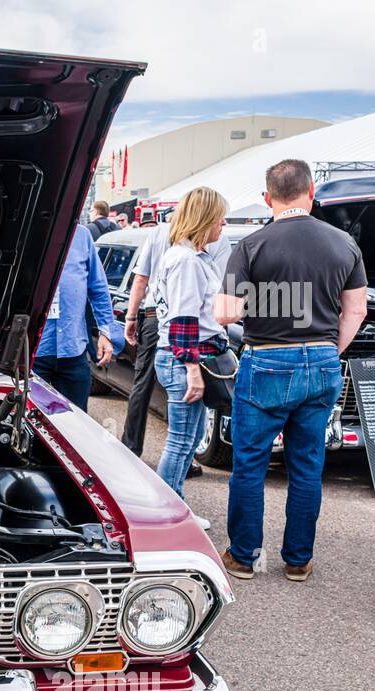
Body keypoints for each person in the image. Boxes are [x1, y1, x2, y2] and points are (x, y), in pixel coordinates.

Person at [216, 159, 368, 582]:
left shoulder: (250, 246)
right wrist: (327, 349)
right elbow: (357, 309)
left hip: (266, 358)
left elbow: (227, 314)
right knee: (307, 464)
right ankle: (298, 560)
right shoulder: (344, 244)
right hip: (321, 361)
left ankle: (243, 557)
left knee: (249, 463)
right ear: (311, 192)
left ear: (268, 198)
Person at [120, 206, 232, 458]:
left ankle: (131, 449)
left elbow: (141, 279)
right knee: (182, 427)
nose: (222, 223)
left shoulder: (160, 234)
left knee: (143, 383)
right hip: (188, 326)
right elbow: (221, 287)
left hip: (155, 316)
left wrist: (131, 316)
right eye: (219, 218)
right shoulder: (195, 254)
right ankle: (182, 460)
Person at [150, 187, 231, 531]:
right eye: (219, 218)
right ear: (204, 219)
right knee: (182, 440)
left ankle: (175, 507)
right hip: (183, 358)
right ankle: (167, 514)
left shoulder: (184, 256)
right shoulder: (186, 261)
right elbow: (184, 320)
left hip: (178, 356)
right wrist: (193, 370)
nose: (223, 224)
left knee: (188, 438)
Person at [33, 226, 123, 410]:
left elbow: (97, 287)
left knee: (75, 426)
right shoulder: (25, 231)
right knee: (30, 425)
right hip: (31, 353)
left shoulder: (81, 234)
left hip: (73, 350)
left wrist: (106, 333)